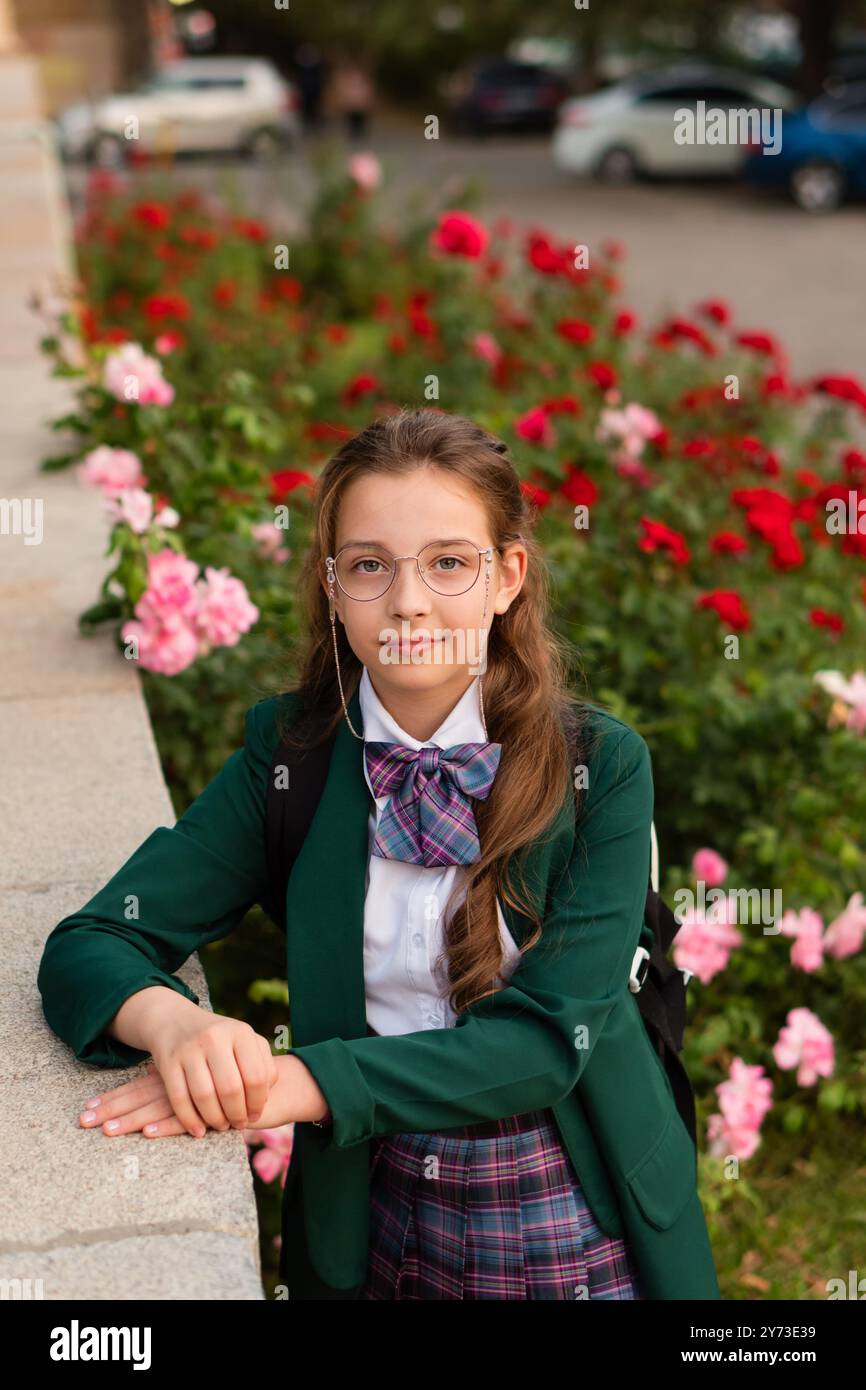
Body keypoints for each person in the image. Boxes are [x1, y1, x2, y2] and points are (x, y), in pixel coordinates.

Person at [37, 407, 721, 1301]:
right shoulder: (293, 759)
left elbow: (553, 1040)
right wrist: (178, 1028)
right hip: (376, 1192)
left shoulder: (601, 766)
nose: (407, 601)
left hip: (568, 1191)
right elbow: (93, 940)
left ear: (507, 577)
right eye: (369, 565)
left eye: (448, 562)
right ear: (331, 587)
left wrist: (297, 1079)